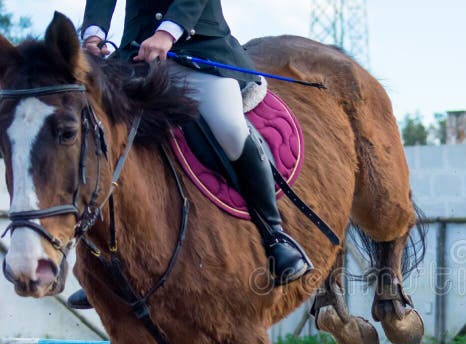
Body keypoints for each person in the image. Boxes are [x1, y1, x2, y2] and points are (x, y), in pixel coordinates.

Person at [68, 0, 310, 310]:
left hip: (201, 52)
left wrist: (167, 34)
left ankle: (275, 238)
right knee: (95, 132)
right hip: (135, 57)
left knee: (230, 129)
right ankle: (101, 267)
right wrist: (93, 34)